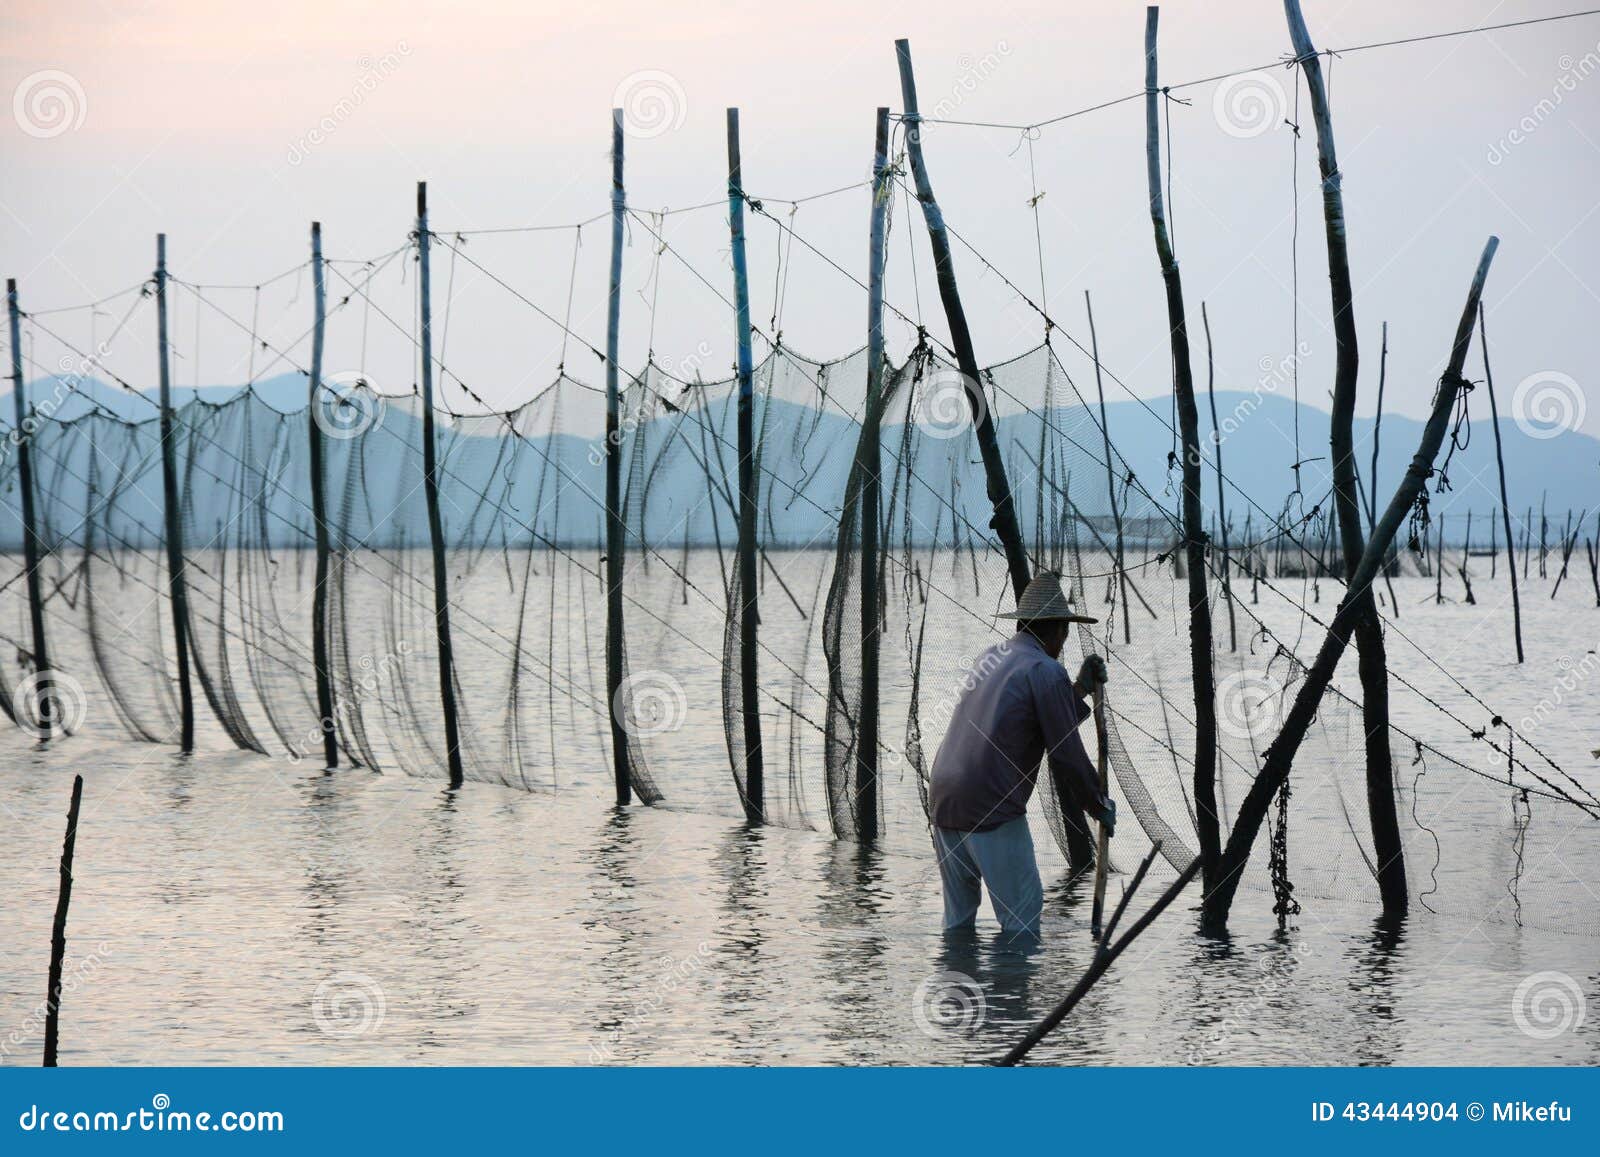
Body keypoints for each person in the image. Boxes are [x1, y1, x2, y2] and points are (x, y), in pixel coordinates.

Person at [928, 571, 1115, 938]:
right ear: (1057, 628)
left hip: (944, 800)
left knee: (958, 923)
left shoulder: (993, 656)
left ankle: (955, 990)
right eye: (1064, 632)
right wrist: (1099, 804)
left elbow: (1029, 718)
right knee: (1022, 925)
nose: (1064, 640)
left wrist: (1078, 688)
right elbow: (1066, 755)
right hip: (990, 808)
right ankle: (1011, 994)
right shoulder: (1045, 670)